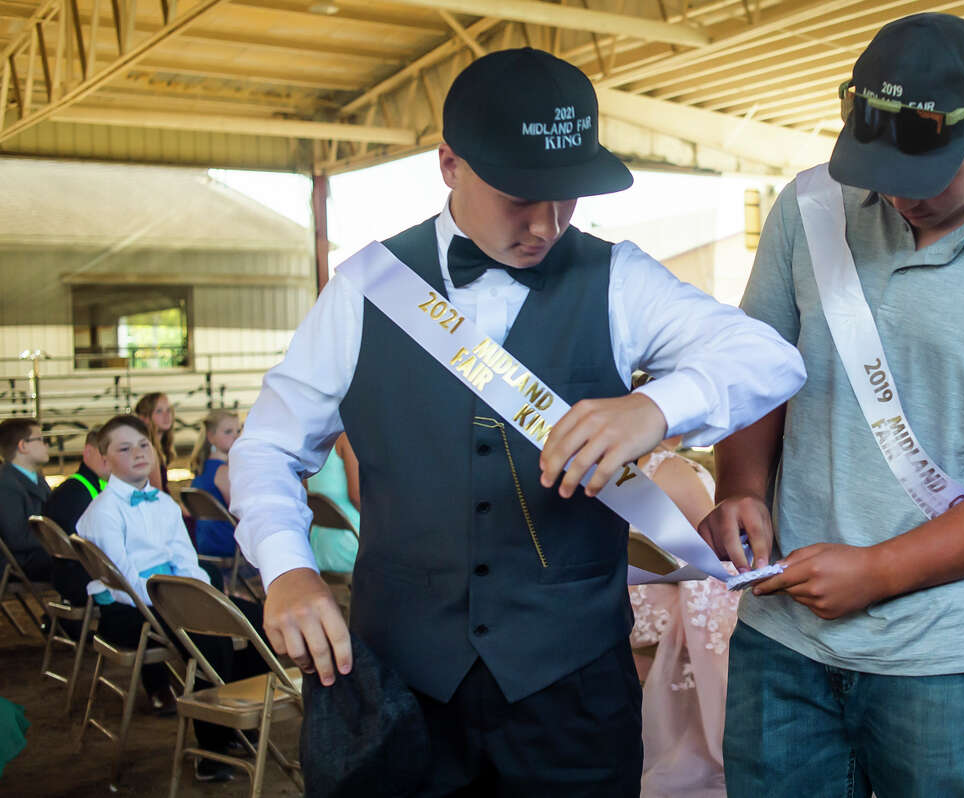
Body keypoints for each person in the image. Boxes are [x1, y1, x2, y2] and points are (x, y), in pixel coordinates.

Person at [230, 47, 806, 796]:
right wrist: (288, 569)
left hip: (575, 695)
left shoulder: (619, 278)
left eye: (566, 198)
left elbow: (770, 360)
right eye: (520, 197)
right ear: (449, 165)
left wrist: (655, 406)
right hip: (399, 683)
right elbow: (268, 448)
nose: (545, 225)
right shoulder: (364, 290)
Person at [698, 13, 964, 797]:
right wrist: (742, 488)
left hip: (945, 651)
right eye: (878, 170)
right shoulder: (810, 209)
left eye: (924, 175)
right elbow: (758, 367)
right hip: (784, 629)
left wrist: (880, 570)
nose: (897, 195)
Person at [76, 415, 267, 783]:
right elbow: (123, 580)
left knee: (254, 620)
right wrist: (181, 606)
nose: (137, 453)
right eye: (124, 448)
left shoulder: (164, 503)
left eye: (143, 445)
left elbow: (187, 561)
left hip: (173, 596)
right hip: (128, 607)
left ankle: (239, 719)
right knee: (209, 639)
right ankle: (210, 751)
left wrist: (202, 597)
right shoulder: (104, 511)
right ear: (105, 459)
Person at [628, 435, 739, 798]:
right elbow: (717, 553)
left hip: (627, 604)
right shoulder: (672, 469)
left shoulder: (615, 469)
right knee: (736, 592)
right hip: (661, 606)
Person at [43, 426, 110, 606]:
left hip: (77, 574)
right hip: (84, 578)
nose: (110, 458)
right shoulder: (73, 494)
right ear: (88, 452)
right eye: (103, 452)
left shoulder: (91, 486)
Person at [0, 418, 52, 581]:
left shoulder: (37, 478)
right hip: (21, 563)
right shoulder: (6, 484)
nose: (47, 445)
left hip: (38, 554)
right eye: (40, 439)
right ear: (23, 446)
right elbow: (17, 538)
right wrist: (60, 540)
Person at [306, 433, 360, 573]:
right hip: (351, 544)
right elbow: (356, 497)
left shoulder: (311, 440)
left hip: (316, 547)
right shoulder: (346, 437)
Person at [189, 410, 240, 557]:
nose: (236, 436)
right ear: (211, 437)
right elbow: (240, 511)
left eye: (238, 430)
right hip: (229, 546)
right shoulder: (223, 472)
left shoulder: (200, 470)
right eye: (228, 432)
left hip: (205, 545)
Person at [134, 392, 175, 492]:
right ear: (144, 417)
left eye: (168, 410)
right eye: (159, 411)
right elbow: (156, 493)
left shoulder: (161, 448)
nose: (166, 415)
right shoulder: (147, 450)